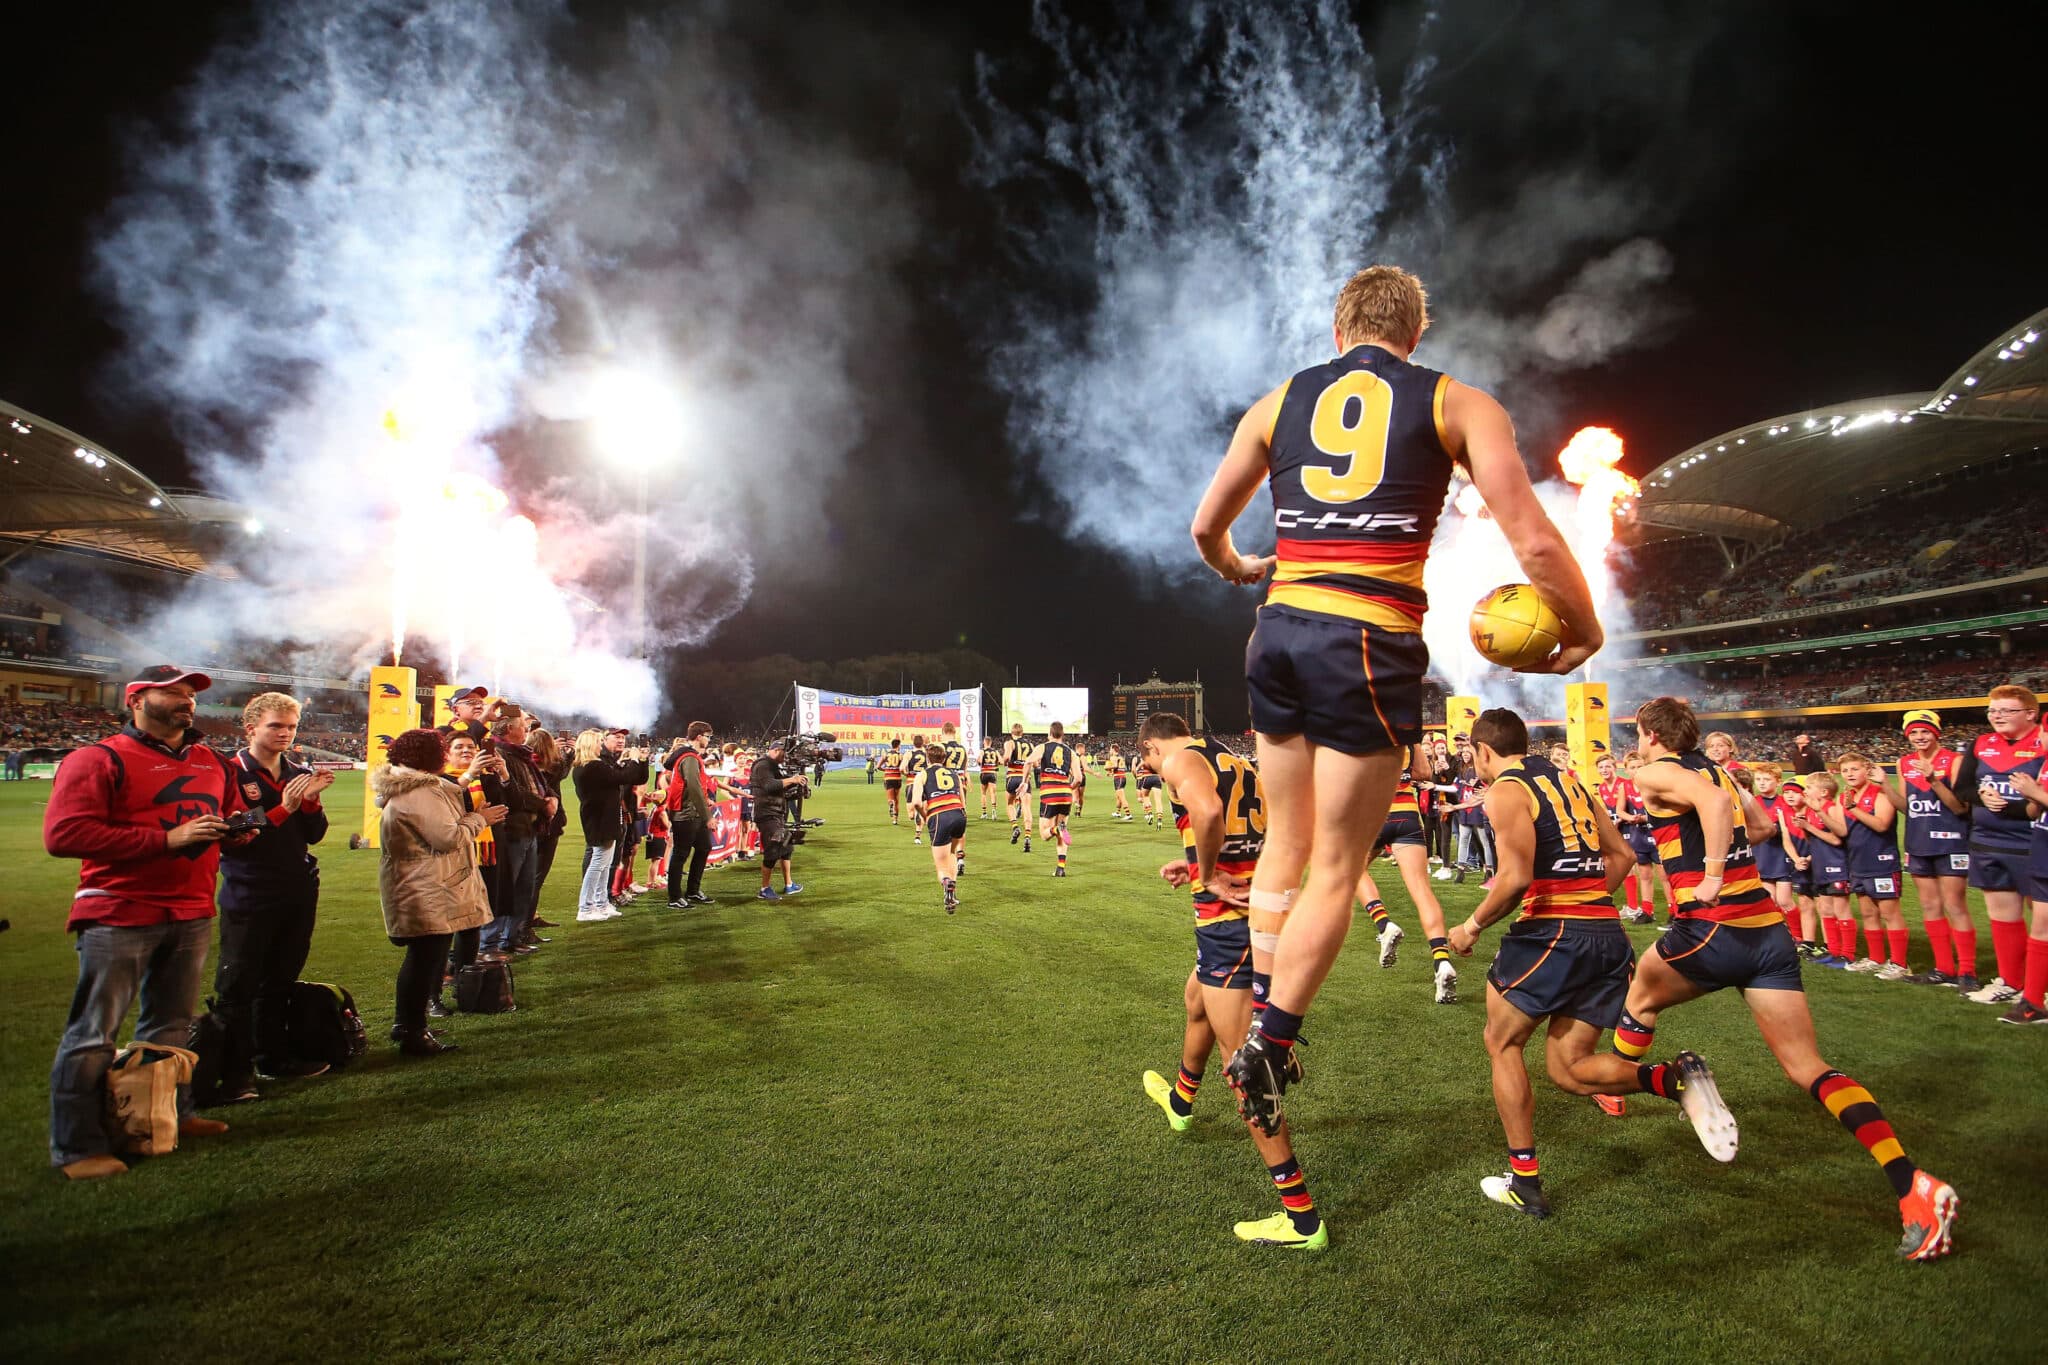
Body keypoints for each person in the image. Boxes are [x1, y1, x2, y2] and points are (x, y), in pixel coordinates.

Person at [1189, 265, 1600, 1139]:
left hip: (1281, 628)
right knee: (1337, 864)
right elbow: (1529, 530)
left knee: (1286, 848)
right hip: (1367, 640)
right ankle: (1271, 1038)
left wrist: (1238, 566)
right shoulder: (1458, 401)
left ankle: (1263, 1010)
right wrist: (1584, 626)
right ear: (1416, 334)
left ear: (1341, 331)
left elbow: (1204, 528)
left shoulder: (1275, 404)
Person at [1602, 697, 1958, 1262]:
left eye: (1637, 733)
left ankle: (1613, 1087)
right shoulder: (1717, 766)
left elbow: (1717, 806)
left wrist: (1712, 876)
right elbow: (1763, 823)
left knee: (1639, 993)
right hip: (1768, 932)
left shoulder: (1654, 770)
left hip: (1712, 927)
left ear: (1649, 733)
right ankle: (1914, 1187)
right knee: (1808, 1068)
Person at [1445, 708, 1733, 1219]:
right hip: (1606, 936)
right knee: (1571, 1070)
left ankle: (1525, 1183)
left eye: (1474, 755)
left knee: (1502, 1042)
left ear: (1483, 750)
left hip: (1553, 934)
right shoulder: (1572, 780)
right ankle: (1675, 1081)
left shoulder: (1505, 789)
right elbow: (1620, 854)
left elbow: (1512, 879)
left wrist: (1468, 928)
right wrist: (1590, 903)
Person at [43, 665, 246, 1180]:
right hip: (118, 910)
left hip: (192, 909)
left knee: (169, 1029)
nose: (187, 700)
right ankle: (77, 1146)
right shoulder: (99, 758)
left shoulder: (210, 760)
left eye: (191, 694)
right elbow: (64, 835)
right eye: (173, 692)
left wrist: (240, 832)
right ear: (137, 699)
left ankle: (170, 1117)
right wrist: (166, 840)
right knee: (94, 1033)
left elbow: (232, 816)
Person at [1134, 713, 1324, 1249]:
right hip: (1263, 912)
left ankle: (1301, 1218)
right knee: (1195, 998)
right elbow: (1262, 828)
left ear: (1152, 747)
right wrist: (1196, 861)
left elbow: (1210, 810)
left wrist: (1211, 873)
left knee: (1244, 1069)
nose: (1153, 771)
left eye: (1147, 762)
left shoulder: (1177, 759)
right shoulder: (1236, 757)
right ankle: (1180, 1104)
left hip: (1228, 923)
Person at [214, 692, 337, 1102]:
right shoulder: (230, 772)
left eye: (291, 726)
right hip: (250, 890)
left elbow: (314, 834)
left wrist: (311, 802)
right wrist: (284, 807)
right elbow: (233, 832)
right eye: (276, 726)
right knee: (238, 985)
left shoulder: (299, 771)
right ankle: (235, 1074)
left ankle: (273, 1057)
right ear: (251, 729)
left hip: (297, 887)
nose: (285, 733)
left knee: (281, 979)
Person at [372, 728, 501, 1057]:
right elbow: (447, 837)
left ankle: (411, 1024)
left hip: (420, 882)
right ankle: (411, 1030)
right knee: (425, 958)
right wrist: (479, 819)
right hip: (425, 885)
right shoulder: (419, 793)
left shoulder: (412, 788)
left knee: (426, 956)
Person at [1953, 685, 2042, 1007]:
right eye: (1993, 711)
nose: (1997, 716)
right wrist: (1983, 798)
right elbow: (1962, 786)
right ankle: (2010, 981)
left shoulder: (2043, 743)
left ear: (2030, 713)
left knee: (2043, 919)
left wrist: (2010, 807)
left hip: (2033, 843)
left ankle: (2037, 987)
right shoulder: (1980, 744)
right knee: (2003, 916)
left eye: (2006, 710)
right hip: (1988, 842)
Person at [1355, 745, 1457, 1002]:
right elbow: (1423, 772)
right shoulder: (1407, 734)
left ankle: (1383, 923)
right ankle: (1442, 962)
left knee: (1351, 871)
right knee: (1422, 891)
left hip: (1373, 813)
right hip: (1407, 813)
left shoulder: (1357, 723)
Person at [1886, 711, 1975, 988]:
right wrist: (1884, 786)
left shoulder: (1955, 761)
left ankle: (1968, 972)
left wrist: (1934, 780)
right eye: (1914, 733)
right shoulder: (1905, 763)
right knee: (1929, 906)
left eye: (1924, 731)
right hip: (1918, 842)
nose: (1919, 737)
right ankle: (1944, 968)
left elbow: (1962, 807)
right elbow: (1907, 809)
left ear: (1936, 733)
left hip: (1951, 842)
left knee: (1955, 905)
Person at [479, 706, 550, 960]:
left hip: (528, 828)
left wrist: (546, 799)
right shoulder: (500, 755)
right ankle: (491, 944)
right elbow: (515, 795)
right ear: (510, 729)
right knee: (504, 889)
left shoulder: (521, 754)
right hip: (512, 829)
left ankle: (511, 938)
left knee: (524, 888)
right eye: (524, 724)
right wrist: (544, 803)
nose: (528, 729)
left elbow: (532, 788)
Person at [1837, 751, 1908, 979]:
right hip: (1857, 862)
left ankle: (1899, 963)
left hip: (1882, 861)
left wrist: (1853, 809)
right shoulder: (1846, 796)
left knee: (1890, 913)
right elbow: (1843, 831)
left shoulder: (1880, 794)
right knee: (1868, 913)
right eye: (1845, 771)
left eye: (1854, 769)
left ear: (1867, 770)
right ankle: (1876, 958)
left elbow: (1881, 825)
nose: (1849, 774)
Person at [571, 728, 648, 922]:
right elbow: (622, 778)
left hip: (603, 818)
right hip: (600, 819)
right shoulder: (593, 766)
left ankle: (600, 902)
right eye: (597, 742)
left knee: (604, 864)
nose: (600, 745)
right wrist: (634, 759)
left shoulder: (589, 765)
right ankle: (586, 907)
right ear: (590, 744)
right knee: (598, 863)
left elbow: (625, 777)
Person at [665, 722, 721, 908]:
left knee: (704, 847)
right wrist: (708, 817)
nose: (708, 740)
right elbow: (694, 788)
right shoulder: (689, 757)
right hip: (686, 813)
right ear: (699, 736)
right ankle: (674, 897)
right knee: (680, 854)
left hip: (692, 812)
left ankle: (693, 891)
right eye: (708, 736)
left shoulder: (690, 756)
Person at [908, 744, 967, 912]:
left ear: (928, 758)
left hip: (939, 816)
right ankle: (953, 894)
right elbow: (963, 803)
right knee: (952, 854)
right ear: (944, 759)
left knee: (941, 865)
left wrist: (926, 816)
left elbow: (917, 802)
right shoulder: (955, 774)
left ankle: (946, 882)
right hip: (958, 815)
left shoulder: (923, 774)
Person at [751, 738, 809, 900]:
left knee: (788, 847)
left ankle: (789, 884)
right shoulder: (762, 765)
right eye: (784, 754)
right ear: (776, 750)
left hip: (778, 813)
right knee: (773, 849)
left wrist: (798, 784)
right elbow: (769, 785)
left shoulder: (773, 766)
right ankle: (764, 888)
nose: (786, 758)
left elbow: (780, 787)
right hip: (767, 814)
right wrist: (792, 779)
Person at [1029, 721, 1078, 876]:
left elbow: (1029, 761)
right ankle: (1060, 868)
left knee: (1045, 834)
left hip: (1049, 792)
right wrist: (1068, 789)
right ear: (1062, 735)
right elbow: (1078, 777)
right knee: (1062, 830)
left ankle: (1057, 829)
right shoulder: (1071, 752)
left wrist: (1025, 781)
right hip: (1065, 793)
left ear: (1049, 734)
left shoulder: (1043, 747)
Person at [1002, 722, 1032, 841]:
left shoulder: (1010, 743)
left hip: (1012, 776)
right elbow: (1035, 763)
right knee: (1026, 807)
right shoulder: (1030, 745)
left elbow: (1007, 757)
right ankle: (1028, 836)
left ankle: (1015, 826)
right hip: (1024, 779)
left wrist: (1004, 762)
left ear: (1011, 732)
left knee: (1010, 803)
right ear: (1022, 733)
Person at [902, 735, 930, 845]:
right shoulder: (926, 754)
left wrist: (907, 774)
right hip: (923, 783)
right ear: (922, 743)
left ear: (913, 743)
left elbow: (902, 768)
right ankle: (918, 834)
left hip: (911, 783)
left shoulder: (909, 754)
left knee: (910, 814)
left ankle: (917, 832)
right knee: (922, 807)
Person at [881, 737, 906, 825]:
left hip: (888, 778)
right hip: (897, 778)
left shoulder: (886, 754)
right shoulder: (900, 755)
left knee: (890, 799)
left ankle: (890, 803)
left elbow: (878, 766)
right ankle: (895, 819)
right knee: (897, 800)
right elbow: (903, 768)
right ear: (898, 745)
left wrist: (886, 770)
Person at [977, 735, 1002, 819]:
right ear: (991, 742)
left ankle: (984, 813)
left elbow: (979, 761)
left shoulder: (982, 751)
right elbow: (1002, 761)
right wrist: (996, 763)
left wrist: (980, 762)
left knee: (983, 793)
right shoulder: (995, 751)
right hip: (992, 773)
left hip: (984, 773)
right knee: (993, 793)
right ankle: (994, 812)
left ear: (984, 742)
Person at [1108, 745, 1133, 821]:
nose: (1109, 751)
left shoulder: (1113, 757)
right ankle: (1118, 812)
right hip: (1122, 777)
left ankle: (1128, 814)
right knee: (1118, 797)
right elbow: (1120, 768)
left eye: (1110, 749)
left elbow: (1115, 766)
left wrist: (1107, 768)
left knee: (1121, 797)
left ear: (1113, 749)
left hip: (1119, 778)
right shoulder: (1121, 757)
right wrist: (1112, 773)